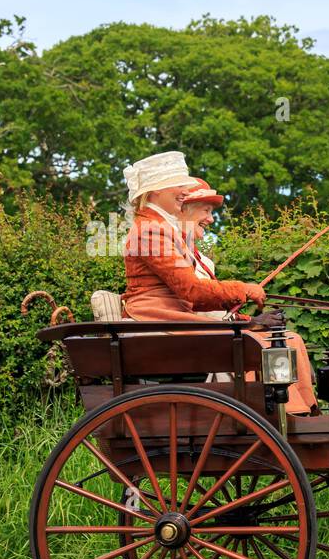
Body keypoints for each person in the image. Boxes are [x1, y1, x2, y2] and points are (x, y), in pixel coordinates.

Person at [120, 151, 318, 414]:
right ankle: (279, 417)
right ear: (155, 191)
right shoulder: (150, 230)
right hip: (159, 320)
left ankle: (296, 413)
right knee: (256, 343)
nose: (184, 191)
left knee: (273, 339)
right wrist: (242, 290)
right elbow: (192, 291)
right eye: (178, 184)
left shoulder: (159, 227)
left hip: (171, 318)